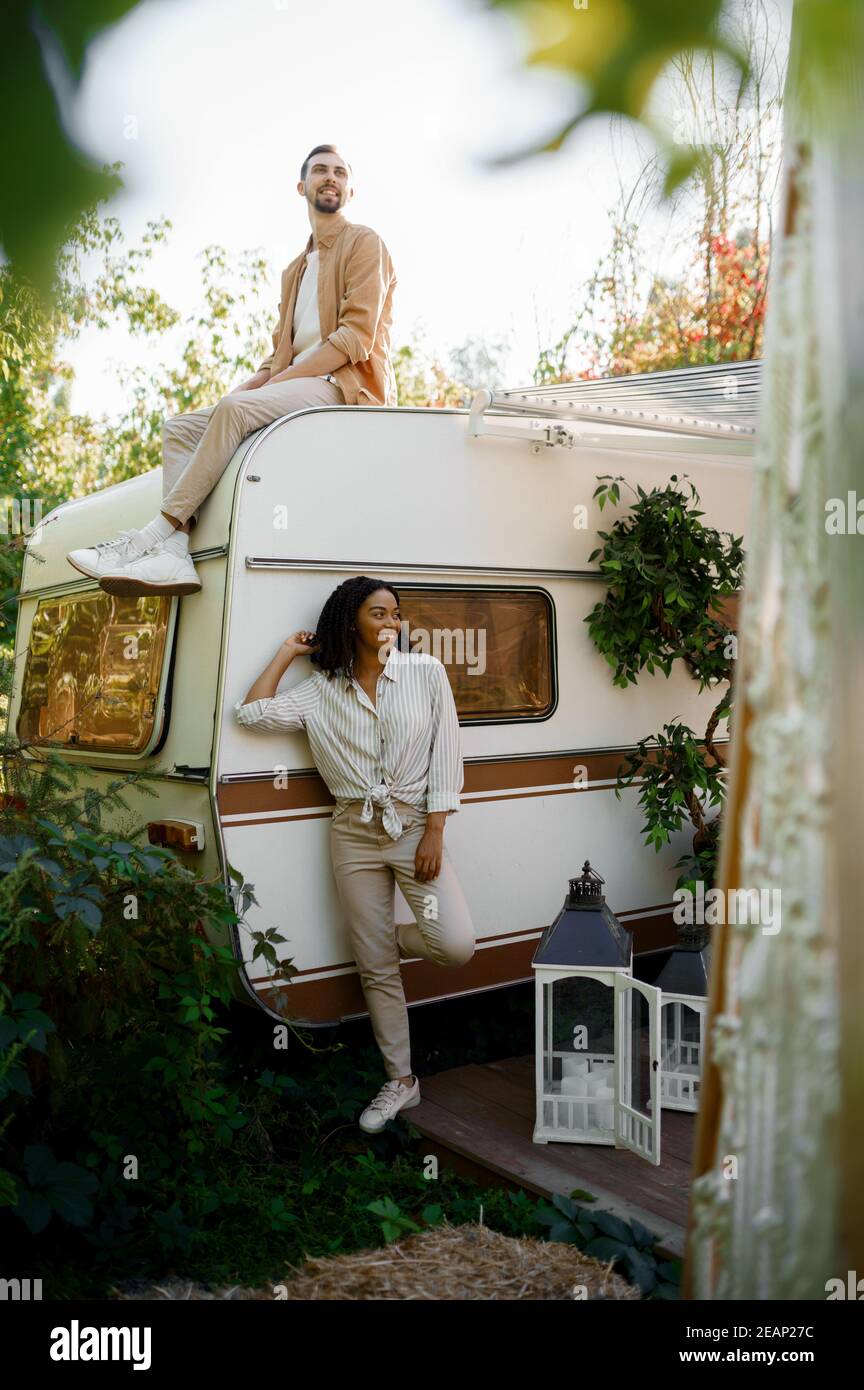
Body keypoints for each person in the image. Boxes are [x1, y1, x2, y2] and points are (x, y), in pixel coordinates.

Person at [66, 146, 398, 597]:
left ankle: (147, 539)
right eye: (320, 170)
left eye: (340, 172)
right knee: (181, 428)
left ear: (350, 189)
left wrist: (272, 386)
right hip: (298, 383)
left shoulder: (364, 243)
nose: (331, 178)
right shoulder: (295, 270)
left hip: (342, 388)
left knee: (234, 411)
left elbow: (354, 339)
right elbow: (279, 353)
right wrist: (251, 385)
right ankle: (177, 554)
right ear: (302, 187)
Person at [234, 576, 476, 1133]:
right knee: (377, 971)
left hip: (415, 826)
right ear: (350, 623)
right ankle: (401, 1081)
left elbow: (448, 749)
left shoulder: (426, 673)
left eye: (395, 614)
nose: (392, 623)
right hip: (352, 832)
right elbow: (251, 715)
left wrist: (436, 828)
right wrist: (286, 653)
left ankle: (379, 943)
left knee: (455, 943)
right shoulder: (321, 690)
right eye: (379, 613)